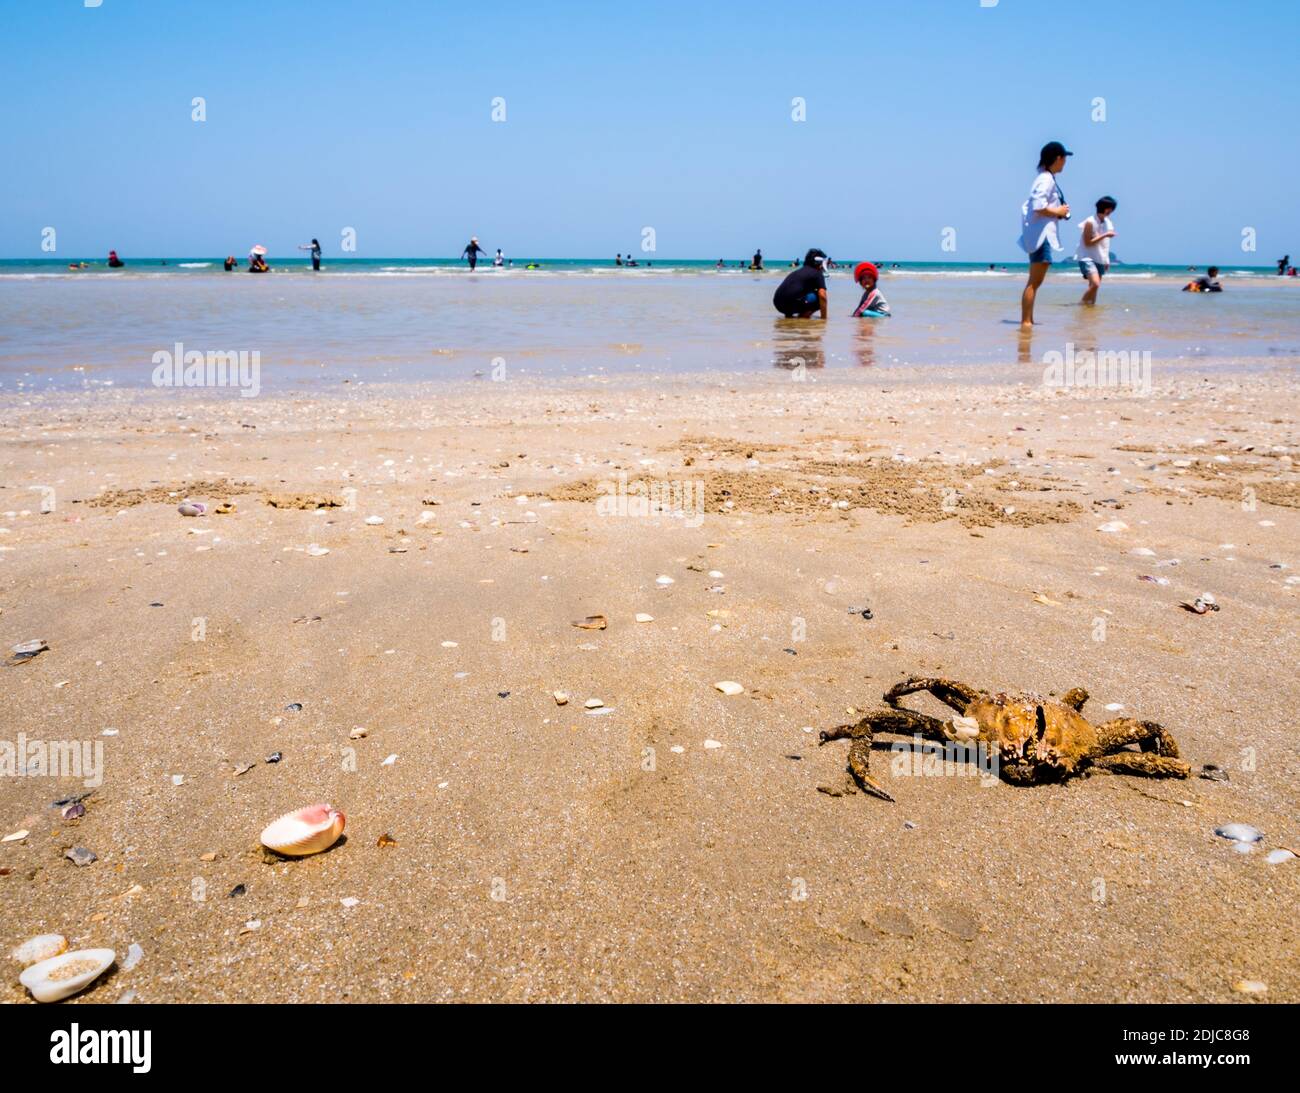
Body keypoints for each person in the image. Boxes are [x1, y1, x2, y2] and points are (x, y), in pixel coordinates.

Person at [1019, 140, 1073, 327]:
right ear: (1058, 158)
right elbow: (1038, 206)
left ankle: (1028, 320)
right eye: (1064, 158)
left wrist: (1059, 214)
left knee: (1034, 282)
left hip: (1038, 235)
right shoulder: (1046, 179)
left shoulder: (1045, 178)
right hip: (1042, 237)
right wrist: (1058, 212)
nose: (1065, 162)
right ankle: (1026, 322)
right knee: (1034, 282)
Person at [1076, 196, 1117, 306]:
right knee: (1095, 284)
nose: (1111, 211)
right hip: (1087, 257)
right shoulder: (1090, 222)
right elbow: (1087, 243)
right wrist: (1105, 235)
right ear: (1105, 208)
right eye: (1111, 209)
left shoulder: (1108, 222)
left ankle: (1089, 310)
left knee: (1094, 288)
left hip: (1100, 258)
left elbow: (1106, 244)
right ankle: (1080, 304)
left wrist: (1106, 260)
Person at [772, 248, 829, 318]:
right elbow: (822, 296)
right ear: (820, 263)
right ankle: (802, 318)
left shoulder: (797, 272)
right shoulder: (817, 273)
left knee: (802, 293)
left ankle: (789, 318)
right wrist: (824, 318)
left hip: (778, 303)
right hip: (791, 303)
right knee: (818, 298)